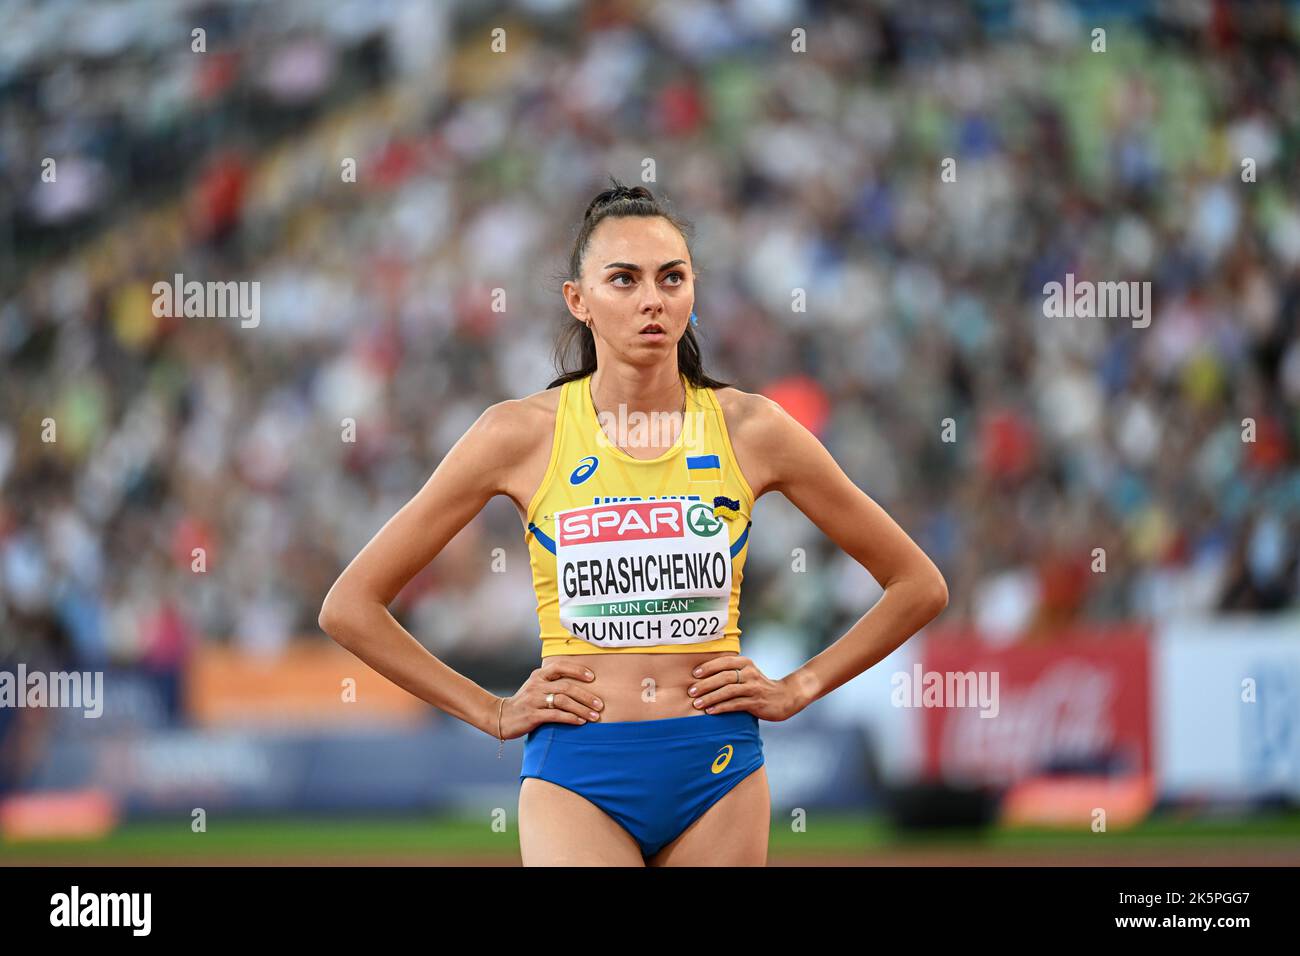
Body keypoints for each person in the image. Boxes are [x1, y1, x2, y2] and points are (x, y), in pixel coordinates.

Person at [318, 179, 949, 866]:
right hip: (577, 776)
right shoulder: (518, 436)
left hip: (717, 769)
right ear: (577, 301)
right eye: (624, 279)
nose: (652, 298)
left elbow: (917, 584)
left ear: (692, 292)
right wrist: (490, 712)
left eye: (671, 278)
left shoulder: (753, 429)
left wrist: (800, 686)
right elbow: (351, 606)